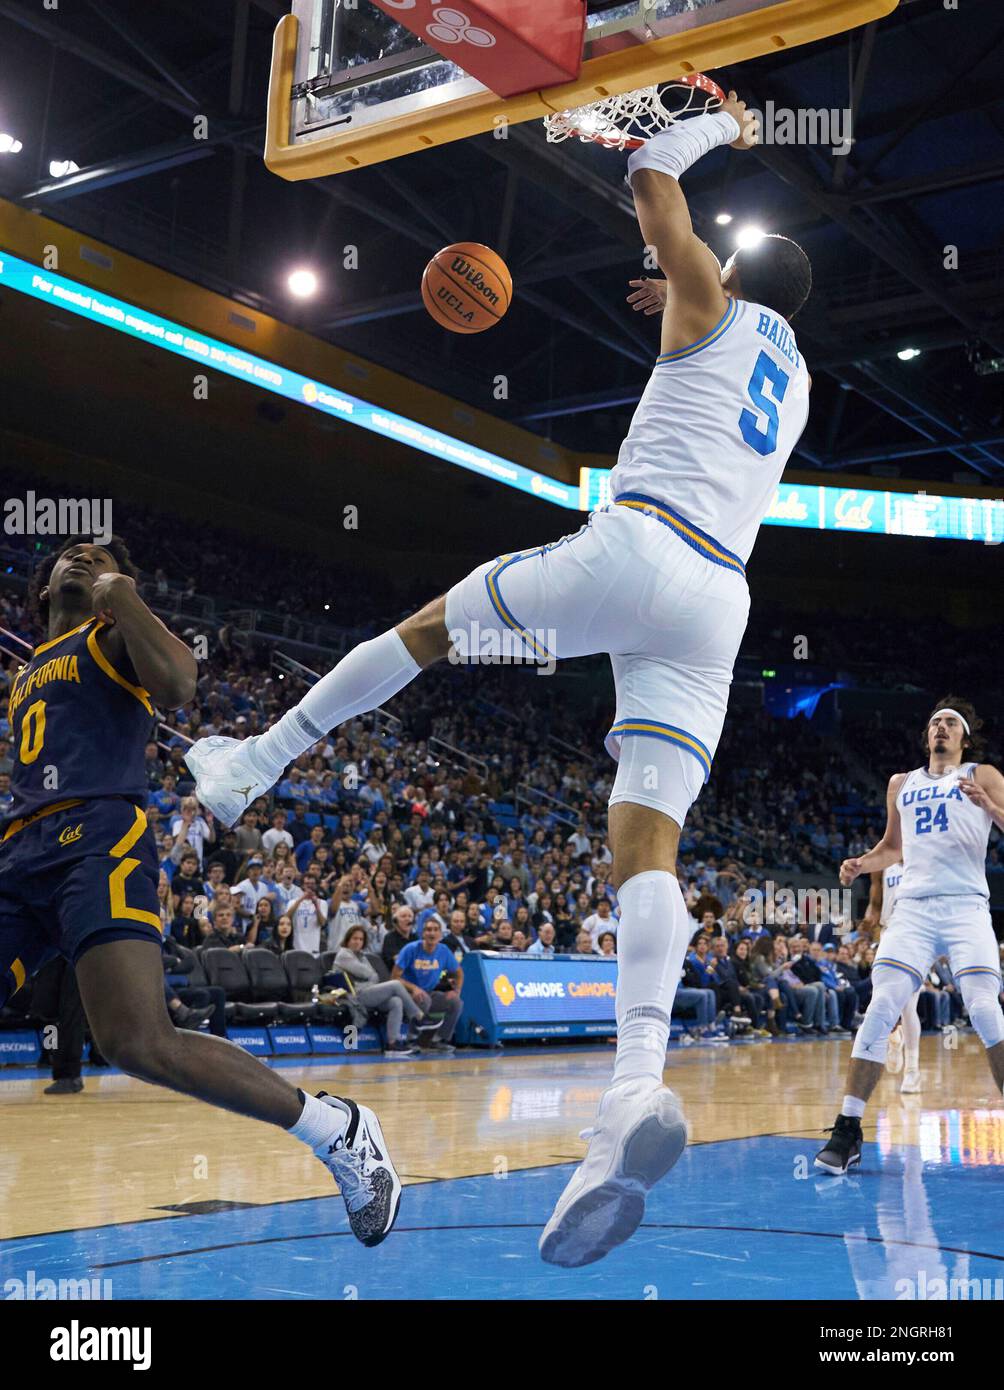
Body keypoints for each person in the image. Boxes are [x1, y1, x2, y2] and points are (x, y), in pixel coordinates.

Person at [185, 90, 813, 1267]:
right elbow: (710, 332)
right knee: (646, 841)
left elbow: (648, 191)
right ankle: (631, 1090)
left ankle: (249, 765)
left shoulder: (710, 302)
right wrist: (686, 288)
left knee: (426, 631)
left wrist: (704, 132)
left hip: (640, 545)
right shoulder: (792, 374)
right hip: (719, 599)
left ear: (738, 272)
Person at [0, 537, 399, 1247]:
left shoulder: (110, 636)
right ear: (41, 588)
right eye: (72, 552)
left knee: (137, 1042)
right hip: (19, 850)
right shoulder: (30, 667)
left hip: (98, 839)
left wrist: (121, 596)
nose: (85, 558)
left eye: (102, 555)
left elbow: (181, 681)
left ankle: (336, 1129)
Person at [816, 700, 1004, 1175]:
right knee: (882, 1007)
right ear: (927, 737)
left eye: (950, 724)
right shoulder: (902, 783)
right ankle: (848, 1129)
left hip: (965, 906)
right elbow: (893, 848)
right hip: (915, 911)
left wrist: (991, 807)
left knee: (984, 1007)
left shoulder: (983, 775)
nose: (941, 728)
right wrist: (862, 864)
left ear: (964, 739)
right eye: (934, 723)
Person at [862, 856, 921, 1093]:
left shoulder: (925, 854)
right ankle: (895, 1036)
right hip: (889, 933)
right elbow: (875, 904)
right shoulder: (883, 859)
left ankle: (912, 1071)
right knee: (885, 999)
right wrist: (871, 916)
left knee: (909, 1004)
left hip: (917, 933)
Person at [334, 925, 425, 1057]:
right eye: (355, 938)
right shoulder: (344, 954)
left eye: (360, 939)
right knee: (395, 984)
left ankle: (391, 1045)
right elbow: (366, 973)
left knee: (396, 1001)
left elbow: (374, 976)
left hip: (366, 992)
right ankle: (418, 1016)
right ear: (347, 940)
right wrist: (369, 979)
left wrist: (368, 980)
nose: (358, 942)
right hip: (353, 997)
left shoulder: (362, 956)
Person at [391, 918, 464, 1053]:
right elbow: (394, 978)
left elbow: (459, 972)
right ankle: (411, 1040)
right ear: (422, 934)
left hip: (428, 993)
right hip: (406, 993)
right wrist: (414, 988)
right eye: (428, 930)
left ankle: (439, 1040)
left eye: (436, 930)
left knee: (456, 1003)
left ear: (440, 935)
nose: (432, 933)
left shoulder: (444, 951)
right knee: (423, 998)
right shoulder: (410, 949)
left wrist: (457, 990)